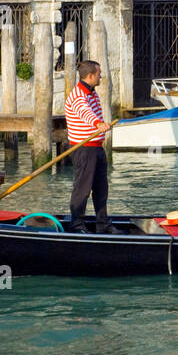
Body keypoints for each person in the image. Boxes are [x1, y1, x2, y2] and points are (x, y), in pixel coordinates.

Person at [64, 60, 119, 234]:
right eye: (98, 73)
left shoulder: (91, 93)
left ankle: (103, 224)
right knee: (82, 188)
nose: (101, 75)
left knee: (101, 188)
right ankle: (76, 224)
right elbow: (84, 112)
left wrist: (100, 127)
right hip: (84, 149)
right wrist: (98, 124)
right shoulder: (78, 95)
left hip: (96, 147)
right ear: (90, 76)